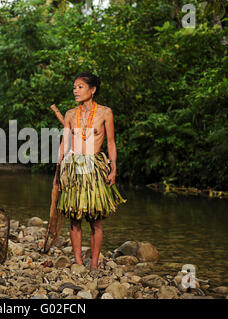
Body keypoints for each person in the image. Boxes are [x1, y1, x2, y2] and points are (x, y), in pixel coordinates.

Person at [57, 72, 126, 270]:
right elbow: (64, 144)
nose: (75, 91)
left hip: (94, 167)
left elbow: (111, 143)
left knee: (96, 219)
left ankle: (94, 263)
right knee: (74, 217)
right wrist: (60, 169)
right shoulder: (70, 114)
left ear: (92, 89)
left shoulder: (105, 112)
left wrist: (113, 169)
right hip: (72, 168)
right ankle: (78, 262)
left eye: (80, 87)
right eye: (74, 87)